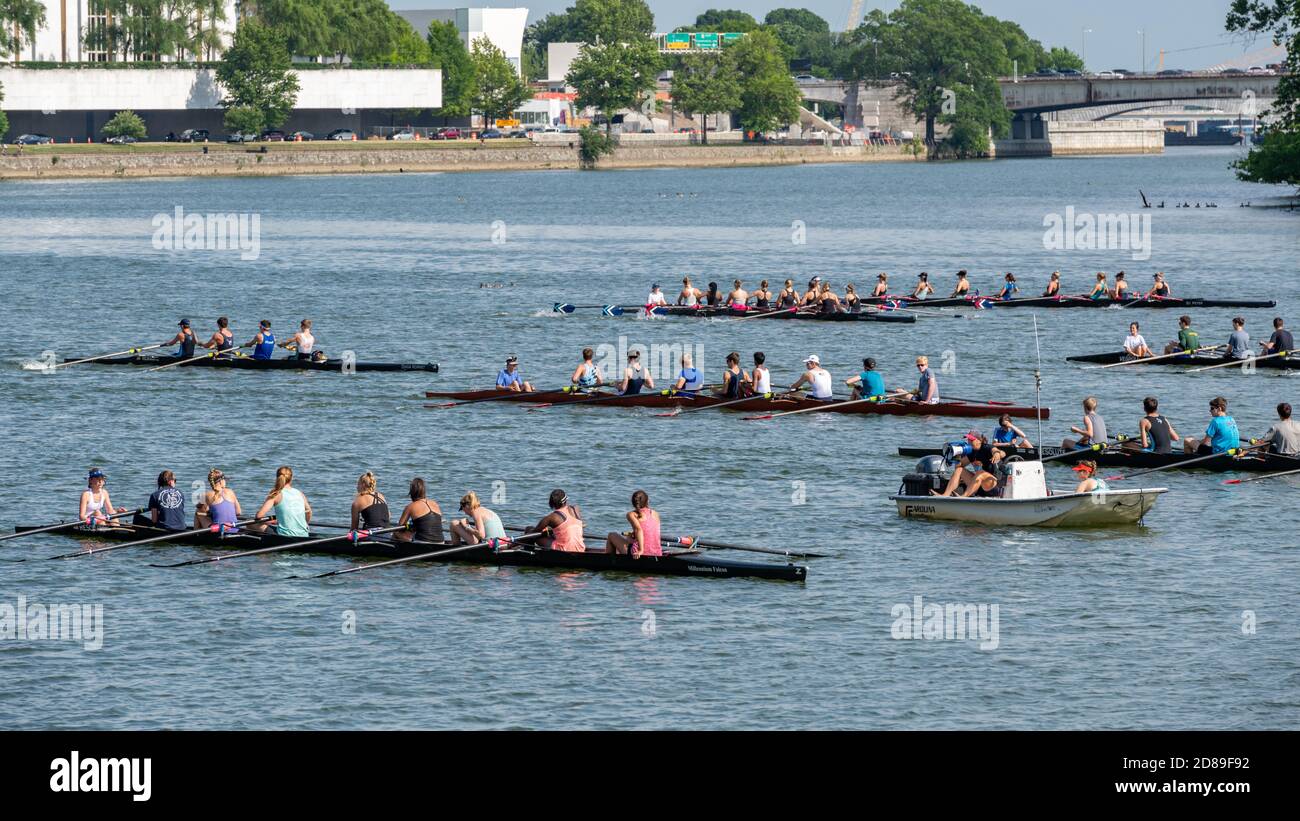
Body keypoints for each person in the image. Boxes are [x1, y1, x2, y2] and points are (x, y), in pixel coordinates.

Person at [938, 430, 1004, 497]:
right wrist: (957, 456)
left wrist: (997, 453)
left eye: (971, 440)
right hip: (979, 486)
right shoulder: (972, 452)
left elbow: (1002, 453)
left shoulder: (986, 447)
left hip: (994, 485)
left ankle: (963, 497)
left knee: (980, 473)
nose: (969, 442)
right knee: (959, 470)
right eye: (968, 440)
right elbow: (959, 465)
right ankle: (945, 495)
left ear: (979, 440)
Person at [252, 466, 311, 537]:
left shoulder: (276, 493)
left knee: (251, 524)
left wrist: (271, 522)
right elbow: (309, 511)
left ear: (277, 478)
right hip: (304, 534)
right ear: (291, 478)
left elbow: (259, 516)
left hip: (284, 535)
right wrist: (306, 524)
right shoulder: (299, 493)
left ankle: (258, 541)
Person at [605, 489, 662, 558]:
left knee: (611, 535)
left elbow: (639, 530)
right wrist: (632, 535)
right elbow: (649, 532)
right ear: (647, 501)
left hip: (638, 554)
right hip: (657, 553)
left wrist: (641, 550)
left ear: (633, 503)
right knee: (628, 539)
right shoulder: (655, 514)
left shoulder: (631, 514)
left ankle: (608, 562)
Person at [395, 478, 444, 543]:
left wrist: (409, 528)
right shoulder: (435, 503)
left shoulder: (410, 506)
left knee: (396, 533)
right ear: (424, 491)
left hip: (423, 543)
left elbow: (399, 528)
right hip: (441, 542)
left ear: (412, 492)